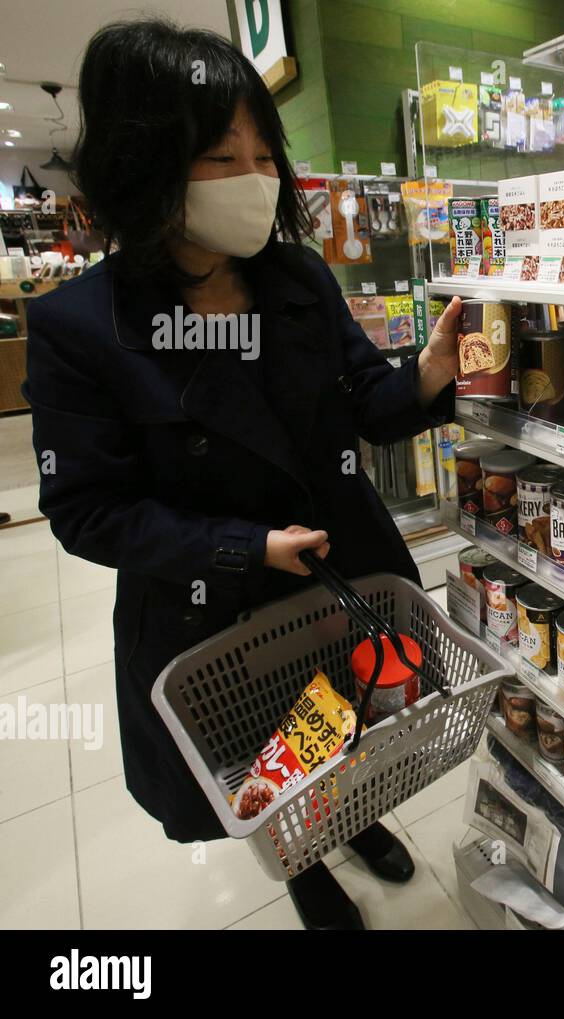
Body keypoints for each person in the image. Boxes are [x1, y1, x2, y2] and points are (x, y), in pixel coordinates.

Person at [23, 19, 463, 930]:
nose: (256, 179)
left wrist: (424, 376)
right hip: (215, 603)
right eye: (223, 157)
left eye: (265, 155)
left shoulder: (298, 277)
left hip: (342, 569)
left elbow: (363, 399)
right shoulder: (81, 327)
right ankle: (303, 865)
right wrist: (245, 545)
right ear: (147, 164)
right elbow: (87, 510)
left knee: (352, 721)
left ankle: (357, 815)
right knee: (269, 763)